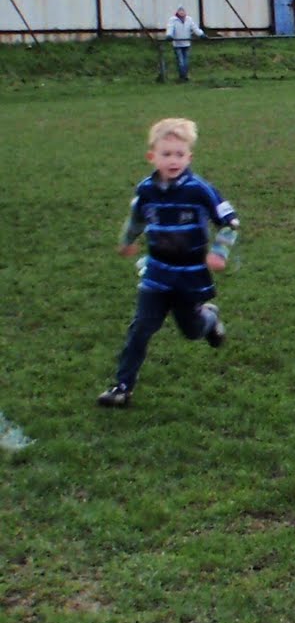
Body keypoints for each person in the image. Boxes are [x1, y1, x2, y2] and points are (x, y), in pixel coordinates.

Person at [97, 118, 237, 408]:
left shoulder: (200, 190)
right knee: (141, 327)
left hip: (189, 275)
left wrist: (219, 252)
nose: (173, 160)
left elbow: (230, 221)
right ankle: (122, 387)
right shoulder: (145, 190)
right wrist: (127, 240)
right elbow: (137, 218)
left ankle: (209, 318)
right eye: (166, 154)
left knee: (192, 331)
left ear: (189, 157)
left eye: (179, 154)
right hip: (157, 273)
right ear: (152, 156)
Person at [164, 6, 205, 82]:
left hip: (187, 44)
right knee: (181, 62)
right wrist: (169, 35)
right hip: (177, 44)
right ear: (177, 12)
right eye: (180, 11)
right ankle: (182, 76)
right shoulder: (173, 20)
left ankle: (185, 76)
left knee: (186, 62)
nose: (182, 12)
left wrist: (201, 34)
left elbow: (194, 28)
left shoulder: (189, 19)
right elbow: (170, 28)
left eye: (183, 11)